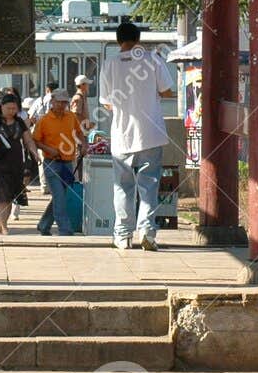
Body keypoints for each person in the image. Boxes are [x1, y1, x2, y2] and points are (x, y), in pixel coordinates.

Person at [97, 19, 175, 251]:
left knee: (122, 187)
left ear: (118, 40)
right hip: (151, 135)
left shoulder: (109, 64)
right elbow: (167, 91)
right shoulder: (152, 59)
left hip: (121, 137)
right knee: (149, 186)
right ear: (138, 40)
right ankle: (148, 233)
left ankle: (122, 237)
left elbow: (106, 103)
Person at [0, 92, 42, 235]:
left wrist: (34, 153)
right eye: (9, 108)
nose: (11, 111)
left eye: (14, 109)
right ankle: (4, 226)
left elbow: (28, 140)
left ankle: (1, 225)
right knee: (0, 195)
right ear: (1, 107)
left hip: (15, 163)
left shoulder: (20, 122)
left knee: (8, 196)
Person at [33, 90, 84, 236]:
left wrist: (84, 145)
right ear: (52, 101)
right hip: (51, 163)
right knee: (60, 197)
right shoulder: (44, 120)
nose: (62, 105)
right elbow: (35, 140)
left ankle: (44, 225)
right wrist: (48, 149)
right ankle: (65, 229)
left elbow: (79, 132)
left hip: (68, 164)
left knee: (59, 196)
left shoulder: (71, 117)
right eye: (59, 101)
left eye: (64, 102)